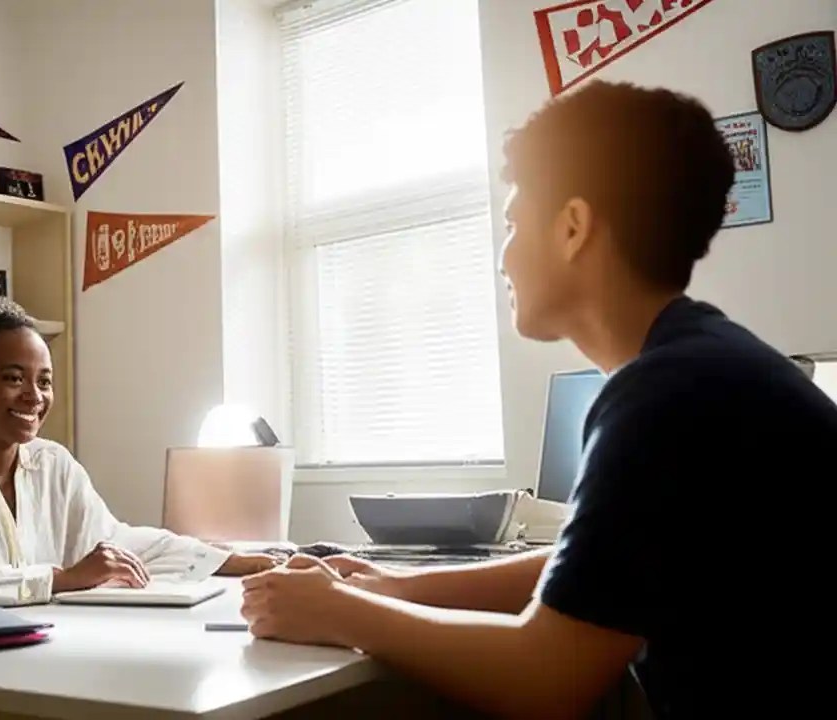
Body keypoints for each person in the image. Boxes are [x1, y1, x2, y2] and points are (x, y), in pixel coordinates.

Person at [238, 80, 837, 719]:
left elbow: (547, 677)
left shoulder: (664, 395)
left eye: (513, 224)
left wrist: (341, 612)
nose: (504, 259)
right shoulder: (705, 363)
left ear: (573, 228)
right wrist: (393, 585)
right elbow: (591, 567)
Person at [0, 290, 278, 607]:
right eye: (14, 378)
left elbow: (117, 543)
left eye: (45, 381)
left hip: (38, 650)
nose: (34, 397)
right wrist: (61, 578)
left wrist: (230, 561)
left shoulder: (53, 463)